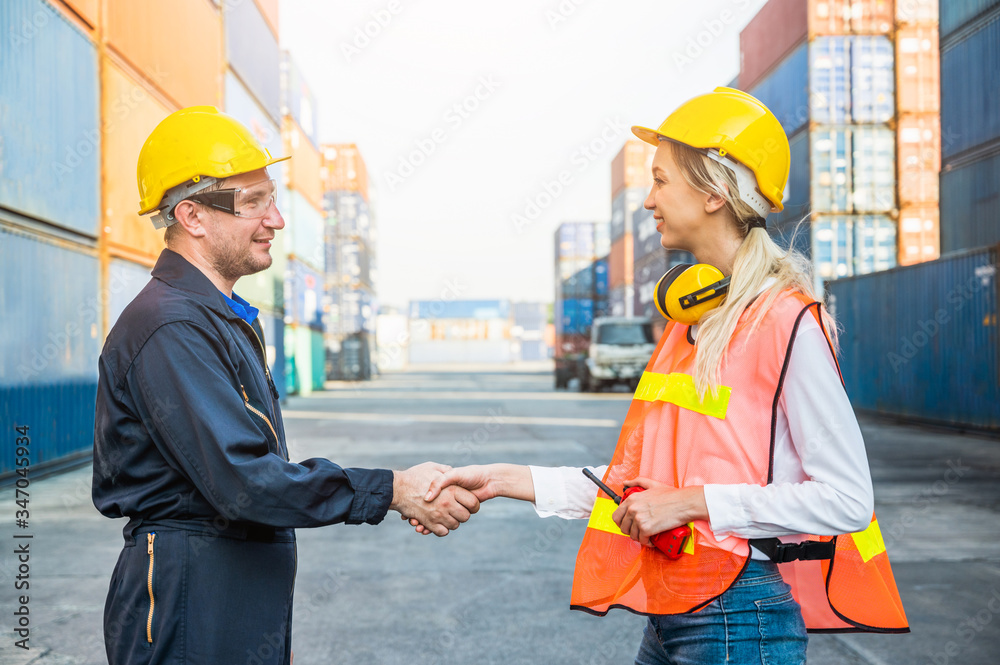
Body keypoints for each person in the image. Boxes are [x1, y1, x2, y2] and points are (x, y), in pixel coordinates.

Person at [421, 88, 909, 664]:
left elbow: (847, 500)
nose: (649, 200)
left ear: (713, 192)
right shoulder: (689, 326)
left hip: (738, 618)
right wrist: (504, 478)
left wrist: (690, 503)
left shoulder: (786, 320)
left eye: (660, 180)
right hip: (676, 613)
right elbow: (641, 488)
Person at [92, 106, 479, 665]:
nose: (275, 219)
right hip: (189, 599)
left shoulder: (215, 315)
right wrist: (393, 490)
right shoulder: (171, 326)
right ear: (193, 216)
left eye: (271, 199)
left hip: (227, 597)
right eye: (254, 203)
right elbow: (245, 481)